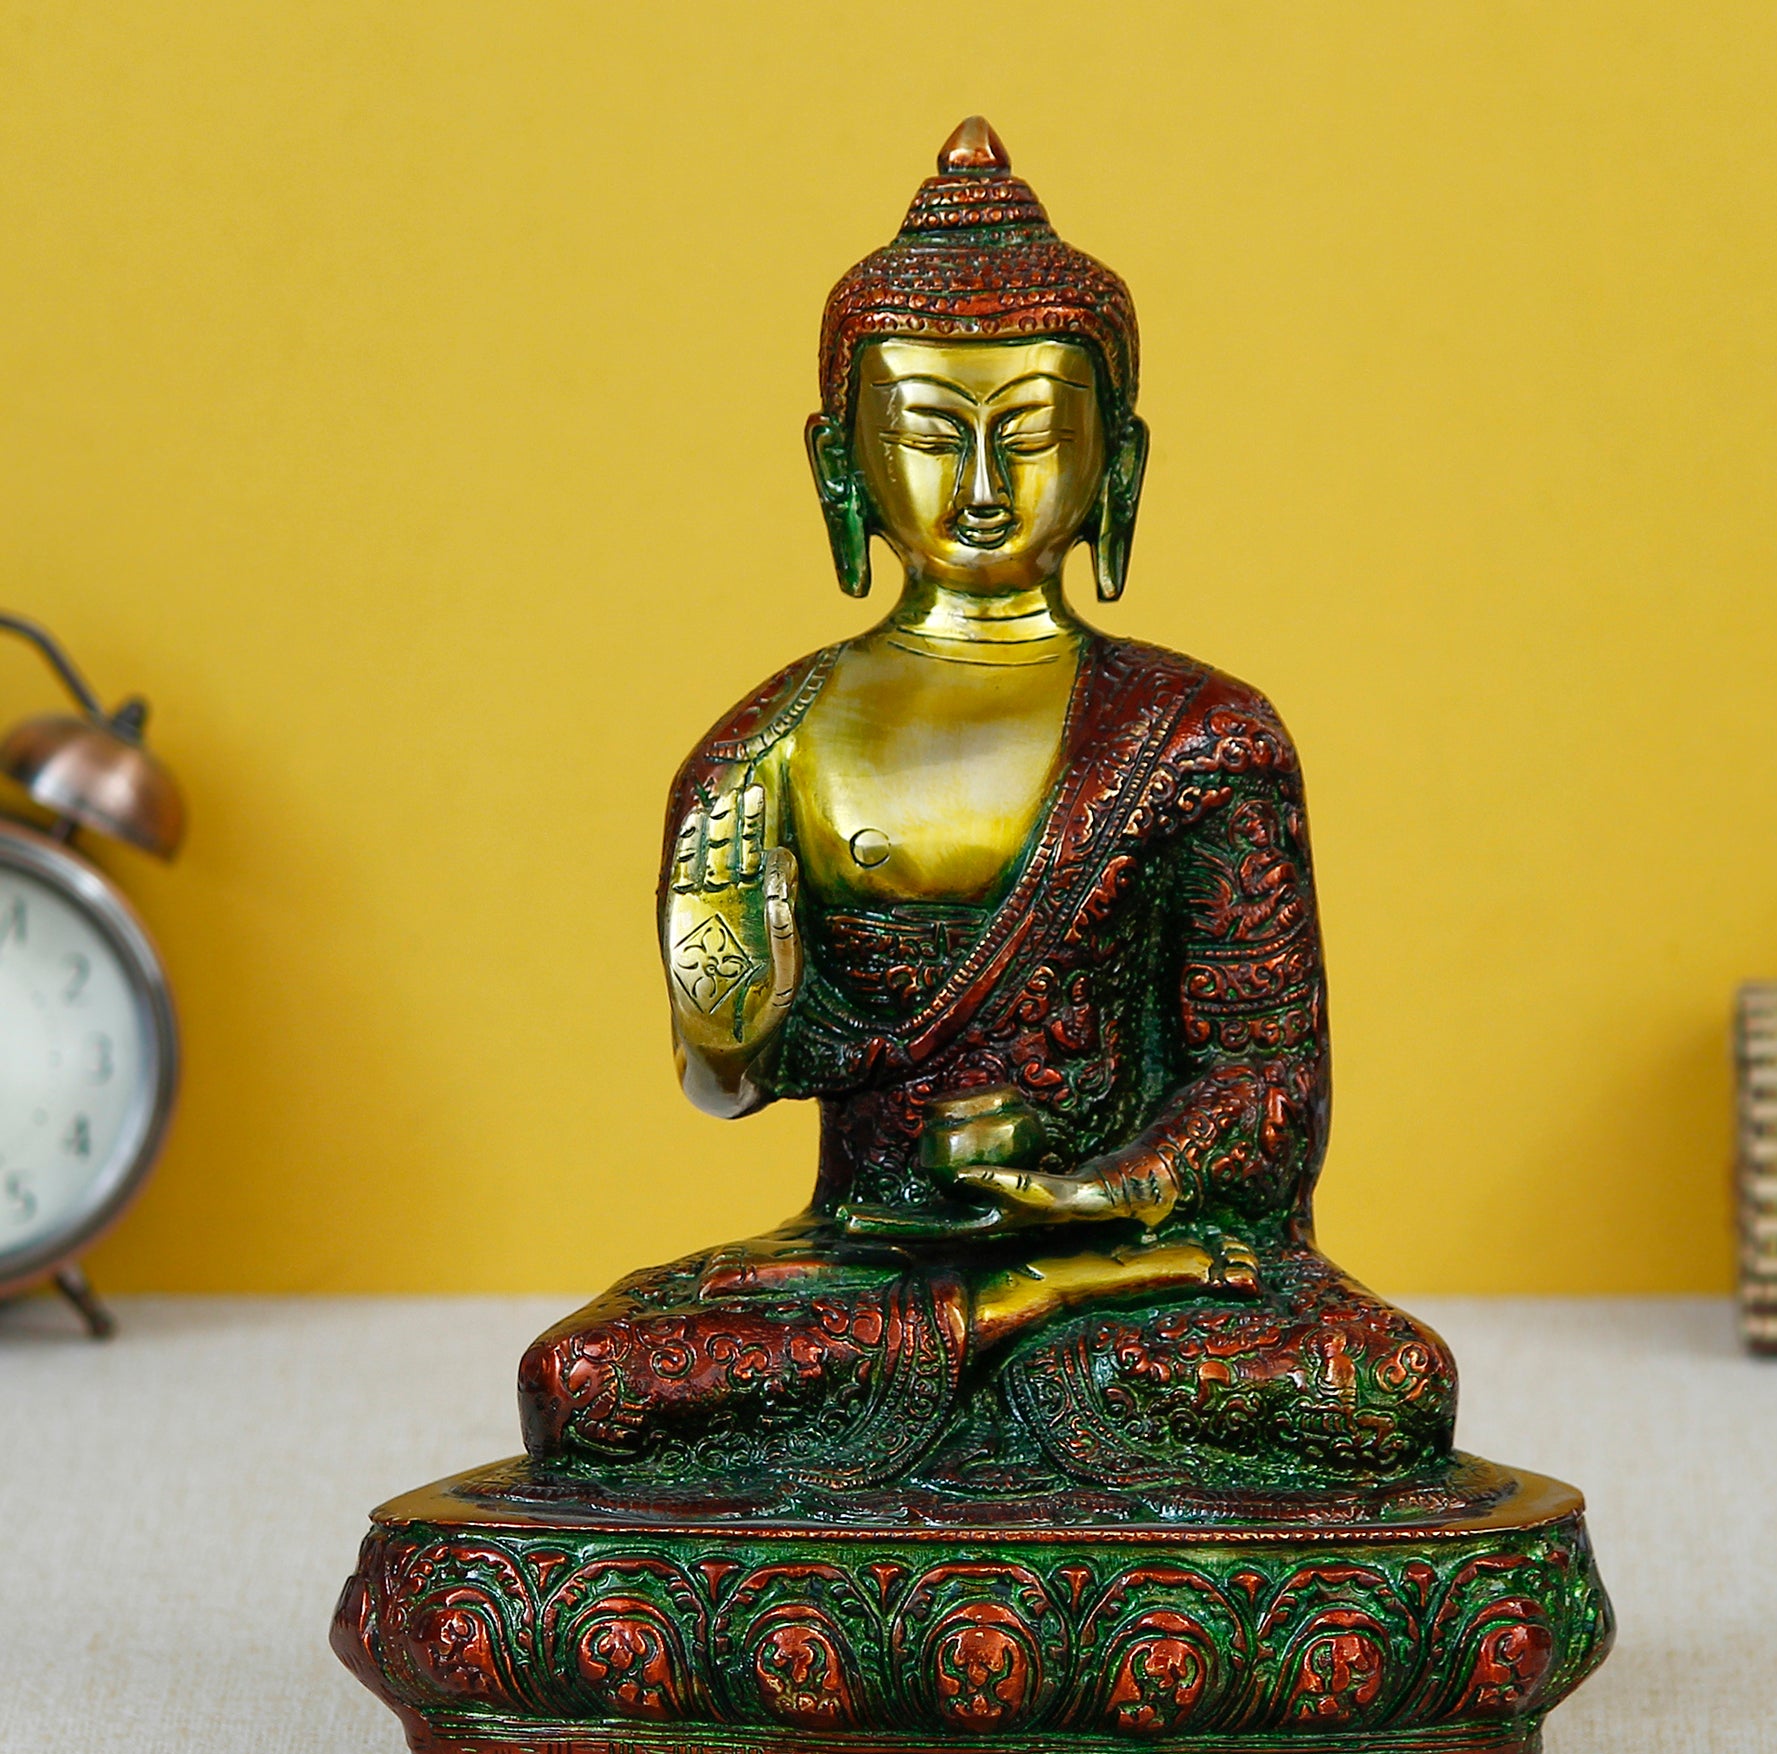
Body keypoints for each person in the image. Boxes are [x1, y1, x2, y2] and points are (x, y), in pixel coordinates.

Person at [518, 120, 1457, 1499]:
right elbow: (726, 1084)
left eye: (1027, 434)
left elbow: (1267, 1087)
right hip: (869, 1261)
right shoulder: (765, 749)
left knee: (1383, 1384)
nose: (978, 487)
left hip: (1131, 1275)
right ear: (838, 464)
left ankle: (1010, 1323)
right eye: (928, 435)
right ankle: (988, 1328)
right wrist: (732, 1018)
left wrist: (1102, 1192)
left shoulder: (1203, 734)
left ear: (1118, 462)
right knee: (588, 1379)